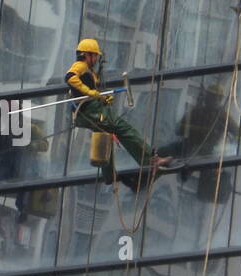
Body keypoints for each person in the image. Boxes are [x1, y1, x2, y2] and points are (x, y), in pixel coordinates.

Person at [66, 38, 171, 181]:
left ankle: (109, 176)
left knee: (107, 133)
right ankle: (150, 160)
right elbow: (70, 78)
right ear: (86, 55)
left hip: (89, 110)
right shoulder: (80, 66)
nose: (96, 59)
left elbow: (92, 91)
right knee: (122, 127)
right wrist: (89, 93)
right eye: (94, 55)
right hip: (88, 110)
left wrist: (102, 98)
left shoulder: (89, 72)